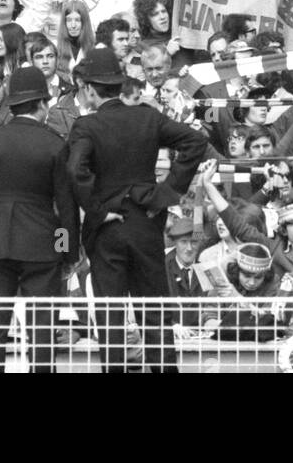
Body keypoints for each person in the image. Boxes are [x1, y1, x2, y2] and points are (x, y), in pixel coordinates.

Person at [66, 46, 209, 373]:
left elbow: (75, 171)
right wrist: (166, 191)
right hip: (145, 219)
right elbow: (195, 142)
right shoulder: (147, 117)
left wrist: (98, 209)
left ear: (89, 89)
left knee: (111, 315)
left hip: (108, 227)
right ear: (118, 86)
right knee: (154, 311)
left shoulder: (86, 126)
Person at [0, 66, 79, 374]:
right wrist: (67, 251)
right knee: (42, 335)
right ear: (42, 105)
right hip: (42, 246)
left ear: (12, 104)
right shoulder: (55, 144)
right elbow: (66, 209)